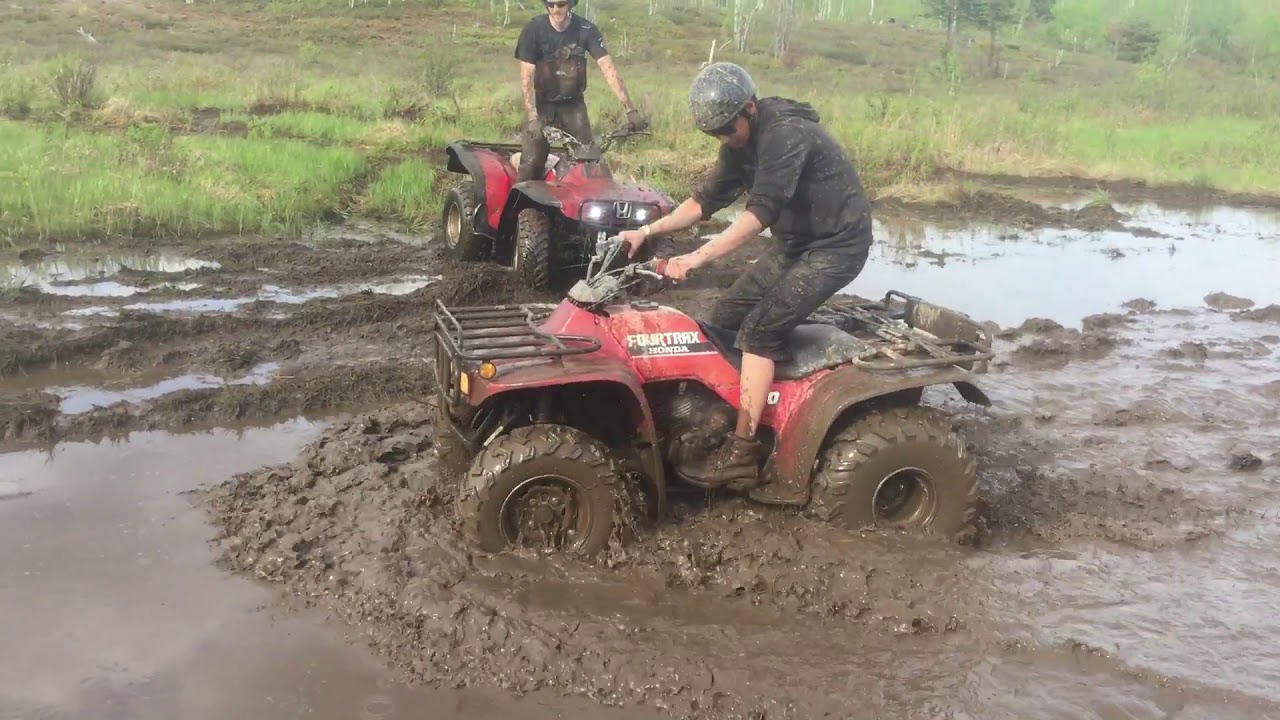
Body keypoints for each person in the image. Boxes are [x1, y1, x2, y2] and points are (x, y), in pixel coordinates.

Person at [618, 62, 874, 495]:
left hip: (836, 246)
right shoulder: (738, 142)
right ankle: (722, 414)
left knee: (758, 333)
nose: (723, 140)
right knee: (723, 318)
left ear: (749, 109)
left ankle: (743, 451)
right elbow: (704, 202)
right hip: (795, 244)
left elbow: (758, 215)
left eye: (726, 131)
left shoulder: (785, 135)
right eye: (714, 135)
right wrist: (645, 232)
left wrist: (696, 257)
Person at [513, 0, 646, 183]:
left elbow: (608, 70)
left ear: (570, 4)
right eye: (550, 5)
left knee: (590, 163)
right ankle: (520, 209)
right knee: (531, 163)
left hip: (574, 107)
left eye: (560, 4)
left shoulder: (586, 29)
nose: (555, 10)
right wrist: (532, 116)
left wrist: (630, 110)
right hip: (542, 105)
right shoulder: (533, 30)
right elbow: (526, 78)